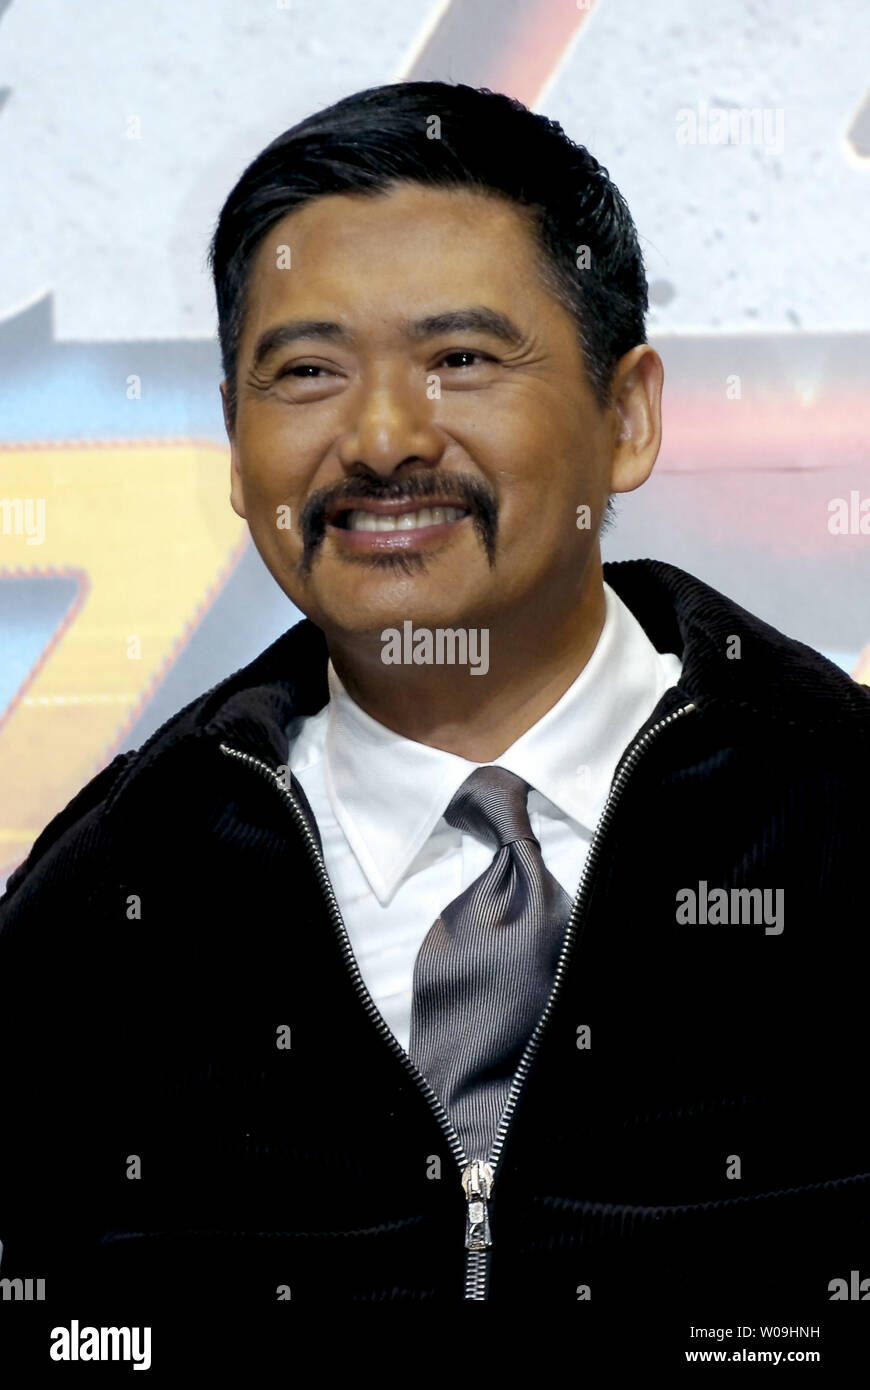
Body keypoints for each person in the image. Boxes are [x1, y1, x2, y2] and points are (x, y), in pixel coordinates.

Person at [1, 80, 867, 1337]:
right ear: (236, 448)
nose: (383, 436)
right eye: (306, 371)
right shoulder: (105, 904)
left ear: (626, 417)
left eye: (459, 360)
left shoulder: (841, 816)